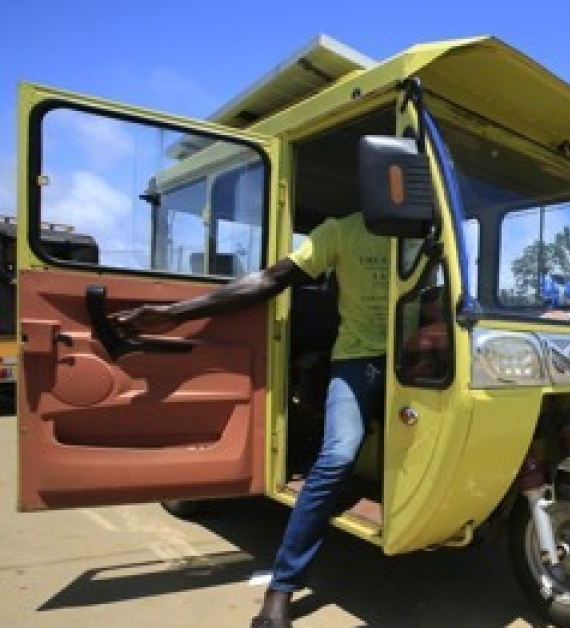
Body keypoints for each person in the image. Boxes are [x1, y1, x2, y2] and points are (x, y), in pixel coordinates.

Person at [111, 211, 391, 628]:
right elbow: (270, 280)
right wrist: (178, 313)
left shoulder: (425, 234)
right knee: (336, 458)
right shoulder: (339, 232)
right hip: (358, 358)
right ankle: (281, 587)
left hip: (422, 359)